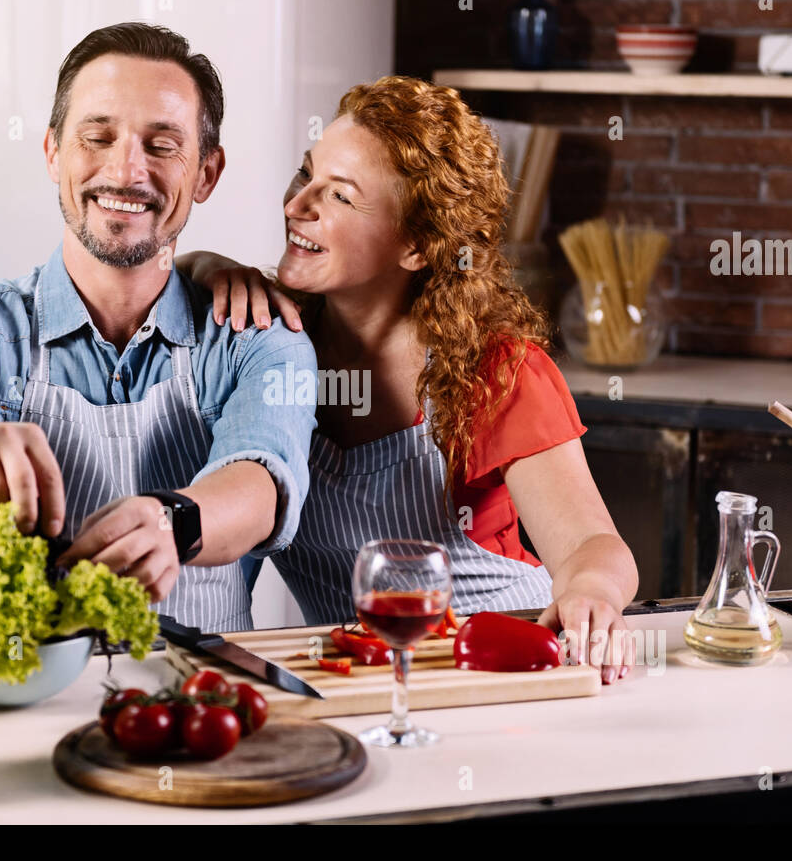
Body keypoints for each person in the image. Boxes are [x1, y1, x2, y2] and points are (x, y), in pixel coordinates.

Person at [0, 23, 317, 633]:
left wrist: (175, 522)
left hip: (193, 705)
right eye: (97, 136)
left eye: (162, 145)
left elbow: (263, 480)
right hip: (2, 706)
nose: (124, 171)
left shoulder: (256, 336)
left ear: (206, 174)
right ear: (53, 151)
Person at [180, 77, 638, 681]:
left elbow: (590, 545)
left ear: (417, 246)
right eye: (305, 174)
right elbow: (166, 282)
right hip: (365, 683)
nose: (297, 205)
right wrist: (205, 265)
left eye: (339, 197)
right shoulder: (265, 345)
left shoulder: (494, 372)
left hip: (496, 673)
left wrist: (592, 592)